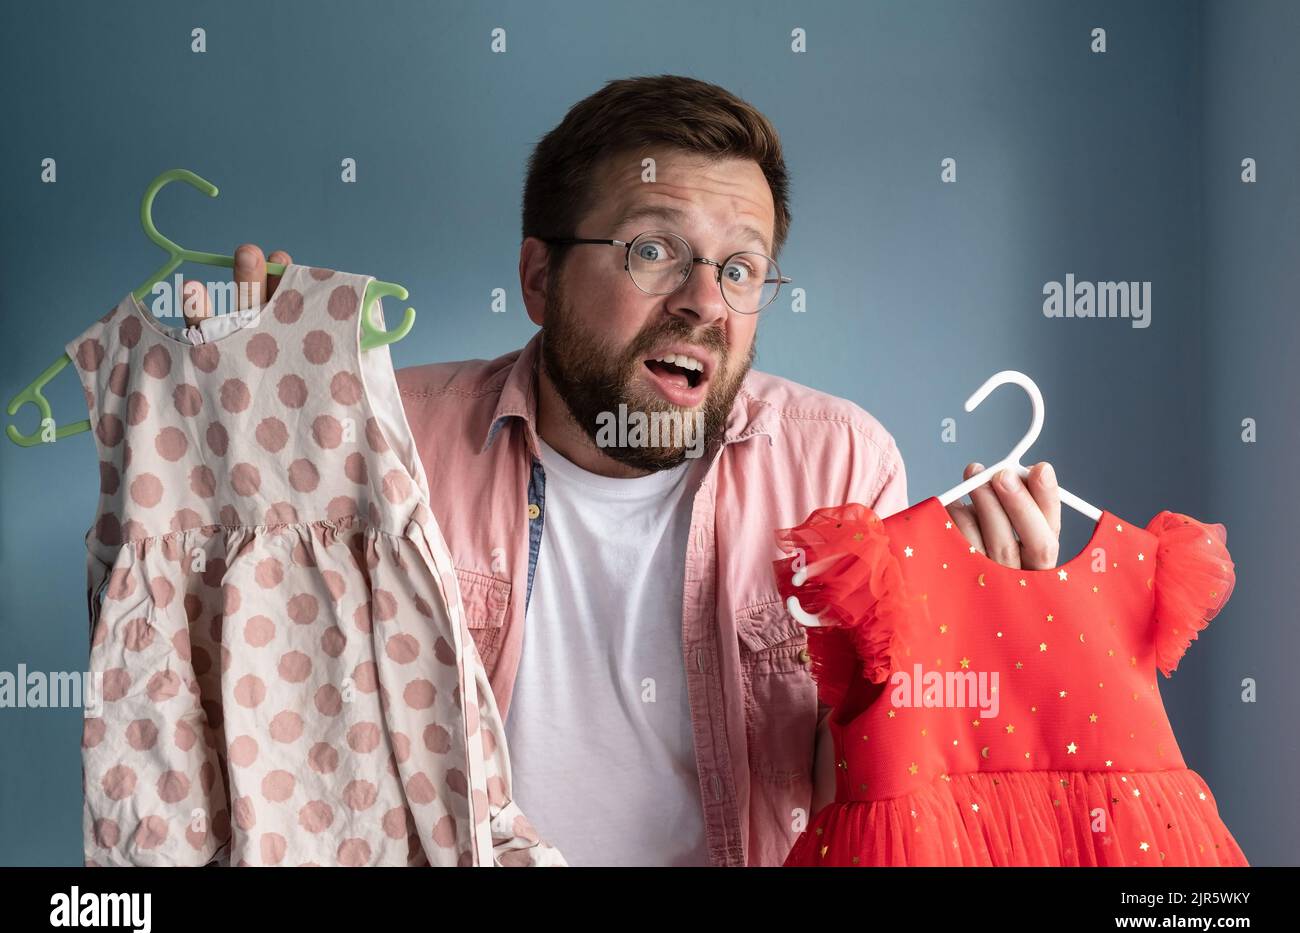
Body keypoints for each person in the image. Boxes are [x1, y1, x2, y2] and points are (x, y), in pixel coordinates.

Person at [180, 74, 1063, 866]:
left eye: (742, 268)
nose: (706, 302)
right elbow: (232, 706)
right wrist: (245, 444)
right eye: (653, 250)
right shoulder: (379, 437)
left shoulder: (840, 463)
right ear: (538, 277)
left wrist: (953, 653)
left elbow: (852, 805)